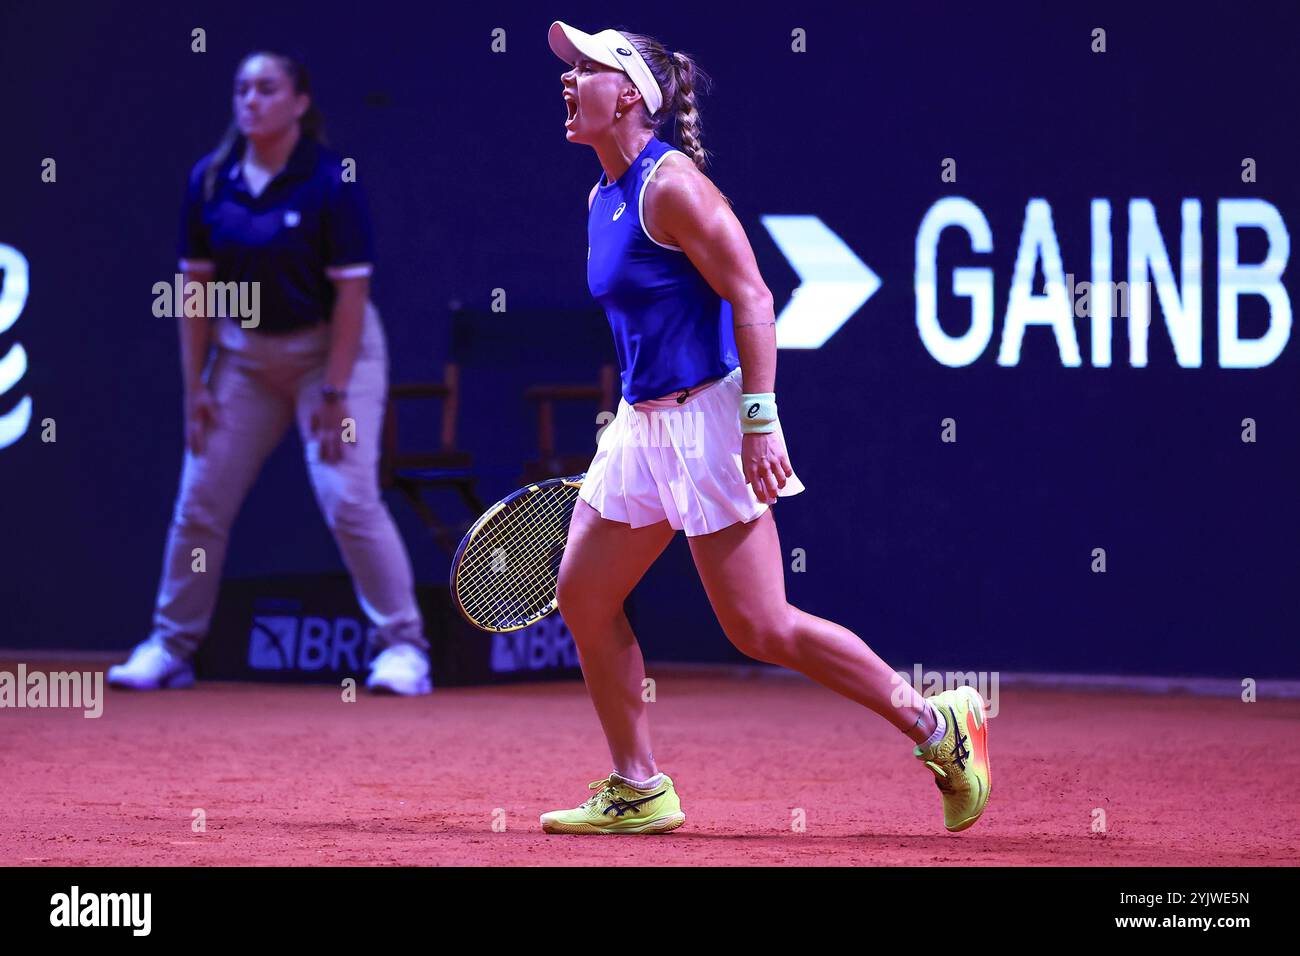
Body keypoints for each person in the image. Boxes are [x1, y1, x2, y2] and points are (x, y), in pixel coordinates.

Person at [538, 22, 990, 834]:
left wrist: (759, 421)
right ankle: (638, 786)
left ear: (631, 96)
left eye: (587, 69)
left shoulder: (670, 187)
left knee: (761, 627)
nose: (568, 80)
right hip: (642, 428)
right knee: (582, 593)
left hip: (711, 419)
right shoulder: (602, 195)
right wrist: (633, 443)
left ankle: (938, 725)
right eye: (568, 70)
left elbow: (751, 296)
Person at [109, 51, 431, 695]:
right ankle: (171, 646)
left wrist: (337, 391)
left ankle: (403, 649)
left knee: (348, 499)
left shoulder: (330, 181)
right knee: (198, 503)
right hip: (244, 362)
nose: (251, 100)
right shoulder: (210, 180)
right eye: (241, 90)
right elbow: (194, 296)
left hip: (333, 356)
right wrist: (195, 386)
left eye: (266, 89)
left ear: (299, 103)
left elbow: (350, 299)